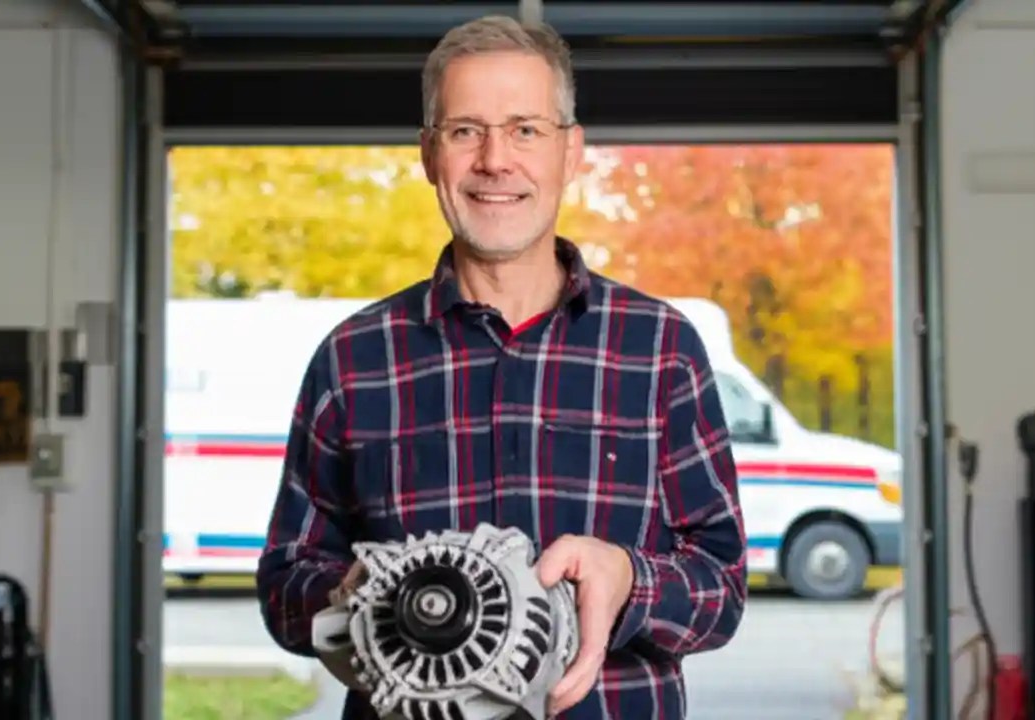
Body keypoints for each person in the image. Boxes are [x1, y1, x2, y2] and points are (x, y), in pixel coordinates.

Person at [256, 14, 747, 720]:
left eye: (525, 129)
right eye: (464, 131)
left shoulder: (660, 347)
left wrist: (627, 579)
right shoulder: (353, 359)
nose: (495, 160)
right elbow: (283, 583)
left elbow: (723, 586)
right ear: (430, 155)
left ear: (570, 152)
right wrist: (353, 592)